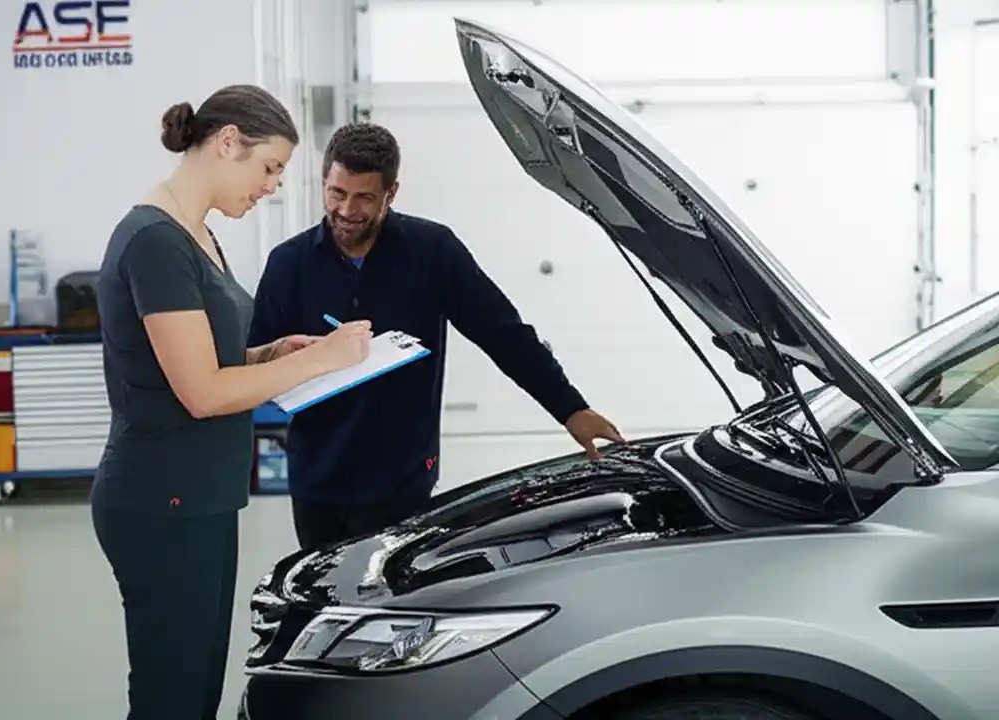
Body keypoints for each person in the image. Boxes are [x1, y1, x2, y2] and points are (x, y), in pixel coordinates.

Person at [90, 85, 372, 720]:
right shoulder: (155, 241)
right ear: (226, 143)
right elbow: (201, 393)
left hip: (199, 494)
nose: (272, 185)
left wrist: (271, 355)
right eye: (269, 167)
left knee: (195, 692)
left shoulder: (195, 236)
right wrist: (320, 359)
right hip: (162, 499)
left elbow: (204, 365)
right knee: (172, 696)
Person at [248, 122, 627, 552]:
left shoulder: (432, 252)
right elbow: (255, 370)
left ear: (391, 193)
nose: (347, 209)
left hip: (400, 481)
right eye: (337, 193)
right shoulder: (288, 265)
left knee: (395, 610)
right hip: (316, 482)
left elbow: (503, 333)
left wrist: (570, 408)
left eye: (364, 197)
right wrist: (267, 470)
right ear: (324, 182)